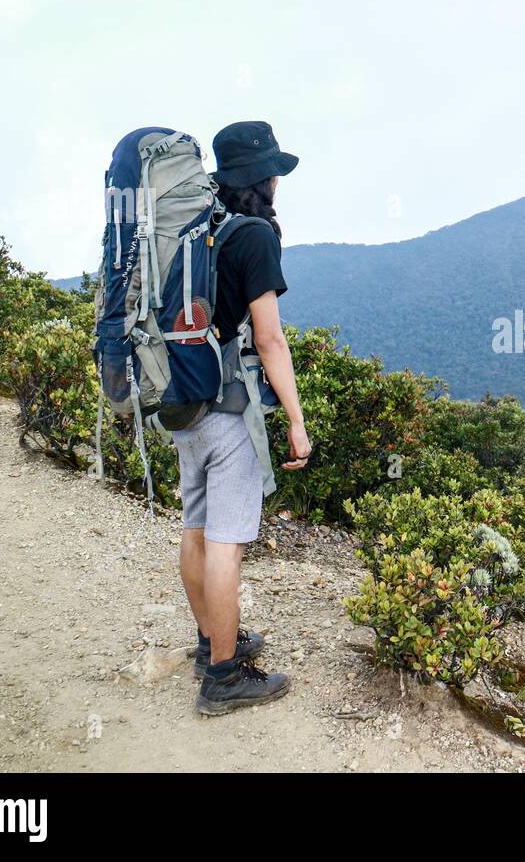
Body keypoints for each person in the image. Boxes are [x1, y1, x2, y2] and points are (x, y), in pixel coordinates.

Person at [173, 120, 313, 716]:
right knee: (227, 543)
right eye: (274, 170)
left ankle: (212, 644)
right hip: (230, 410)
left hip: (184, 401)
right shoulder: (254, 237)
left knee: (197, 528)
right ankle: (224, 680)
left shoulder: (196, 228)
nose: (279, 179)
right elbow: (270, 338)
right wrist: (296, 420)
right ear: (262, 178)